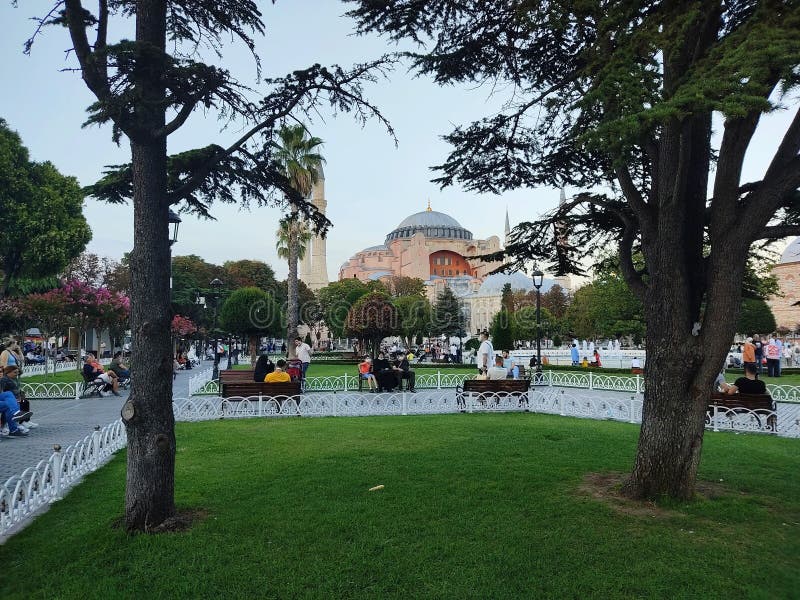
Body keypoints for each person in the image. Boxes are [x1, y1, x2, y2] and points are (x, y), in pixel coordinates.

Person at [0, 365, 36, 430]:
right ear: (8, 372)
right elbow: (2, 391)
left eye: (1, 372)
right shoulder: (4, 380)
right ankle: (14, 422)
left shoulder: (14, 379)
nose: (17, 374)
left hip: (13, 397)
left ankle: (22, 421)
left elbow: (17, 388)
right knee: (10, 402)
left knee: (24, 402)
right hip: (10, 398)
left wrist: (21, 394)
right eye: (15, 372)